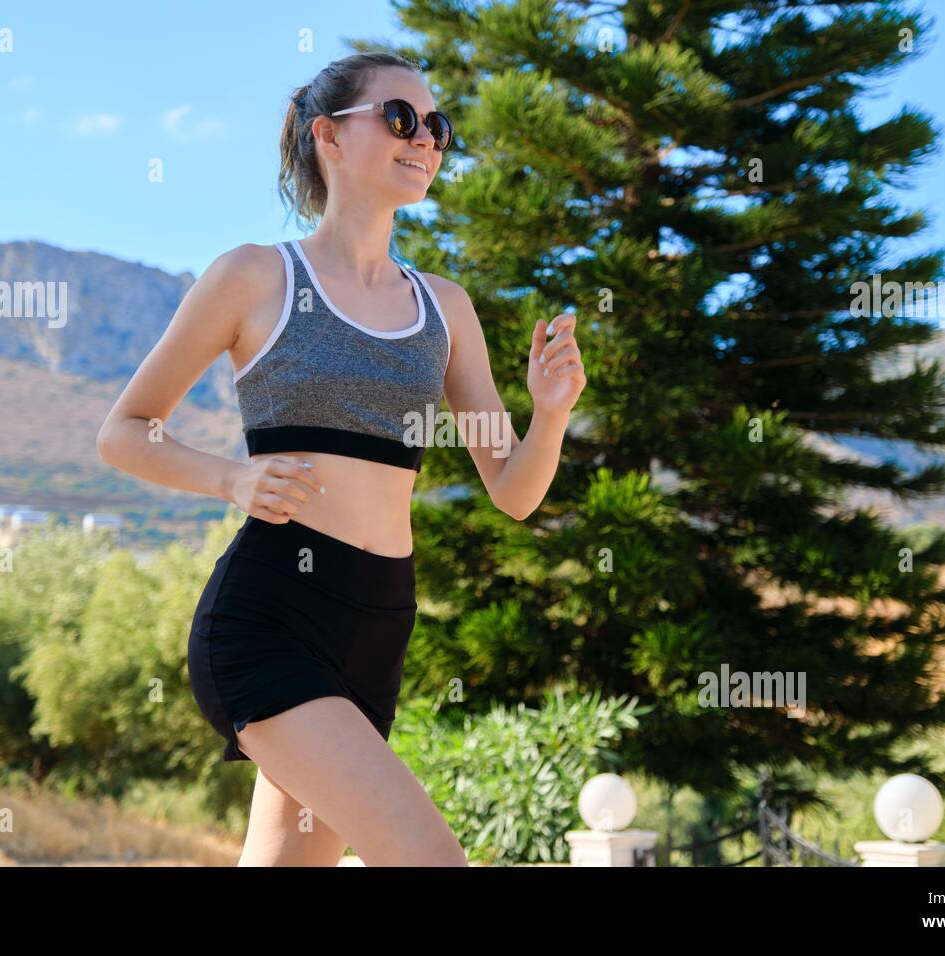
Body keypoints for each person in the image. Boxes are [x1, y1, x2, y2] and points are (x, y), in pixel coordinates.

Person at [96, 51, 586, 866]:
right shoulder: (254, 276)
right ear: (328, 134)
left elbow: (514, 492)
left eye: (438, 126)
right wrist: (232, 477)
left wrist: (553, 414)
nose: (425, 138)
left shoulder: (445, 307)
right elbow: (124, 428)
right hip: (271, 615)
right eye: (400, 118)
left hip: (381, 622)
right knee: (433, 858)